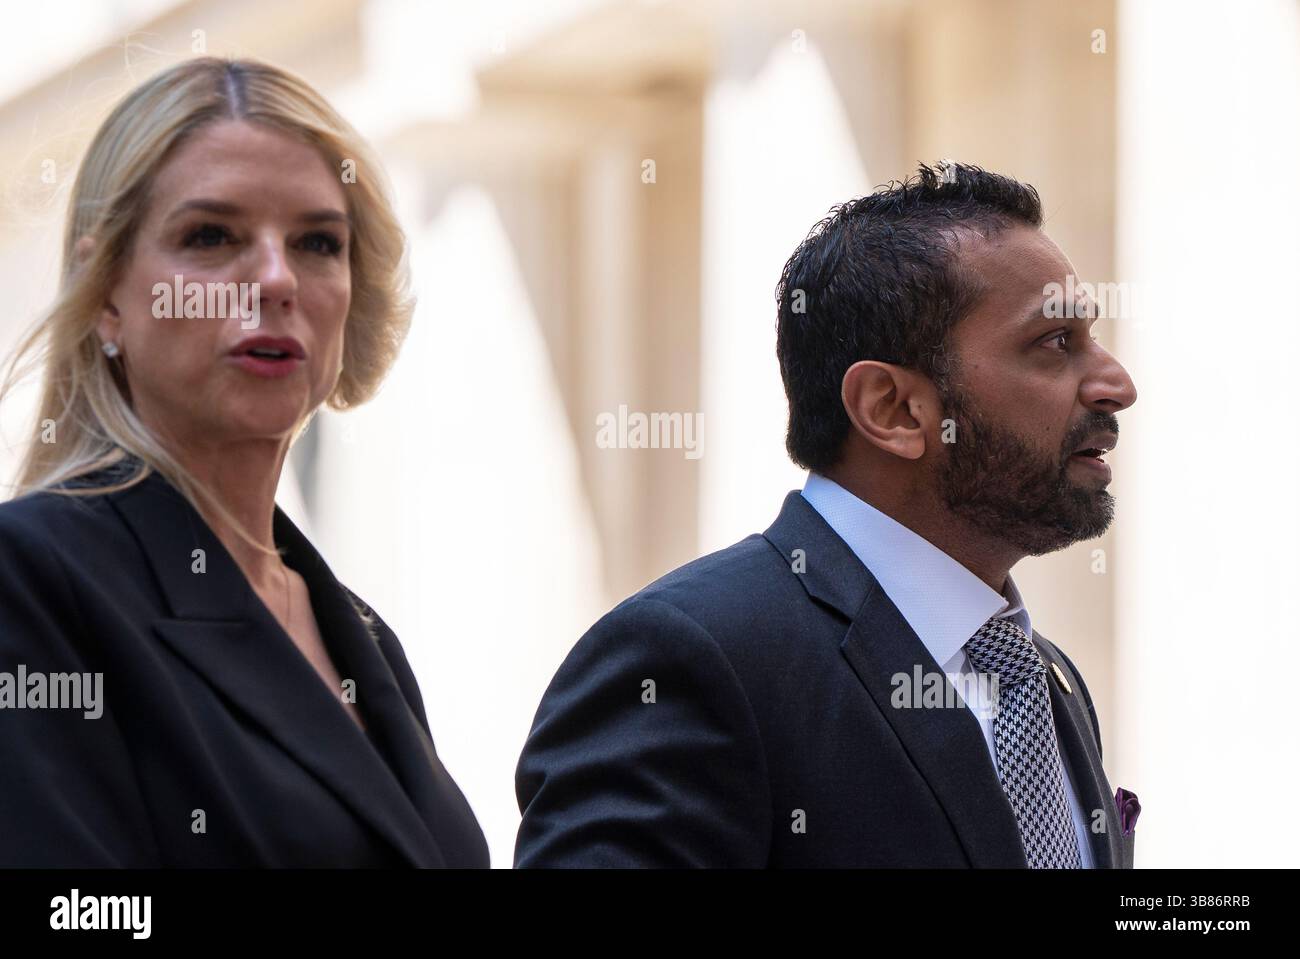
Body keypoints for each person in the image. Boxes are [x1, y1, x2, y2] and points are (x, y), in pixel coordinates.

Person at [515, 162, 1139, 868]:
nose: (1117, 384)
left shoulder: (1047, 678)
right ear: (893, 408)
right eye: (1055, 342)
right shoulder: (693, 658)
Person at [0, 57, 488, 868]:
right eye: (211, 236)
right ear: (107, 293)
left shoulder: (364, 636)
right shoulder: (31, 577)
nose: (275, 277)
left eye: (318, 242)